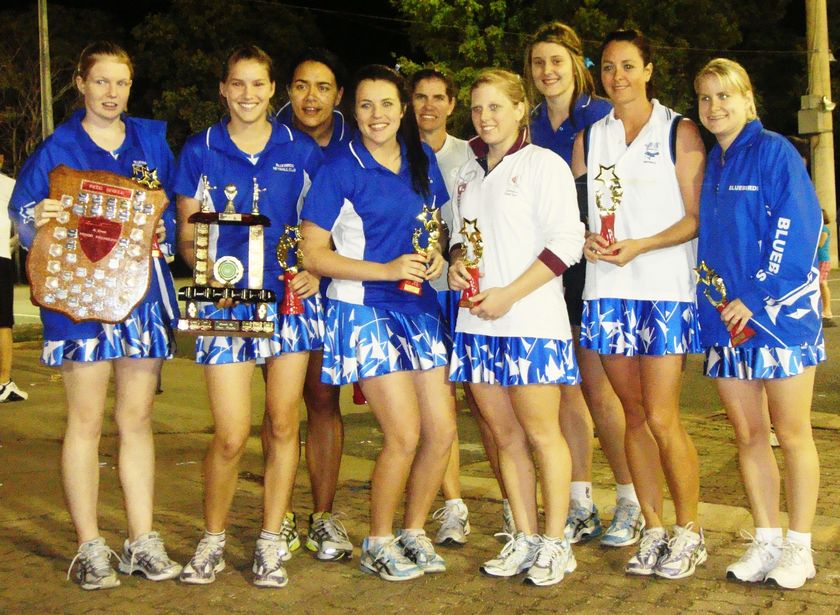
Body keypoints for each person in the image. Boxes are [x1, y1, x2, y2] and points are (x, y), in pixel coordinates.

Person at [8, 41, 181, 589]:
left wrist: (165, 232)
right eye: (101, 81)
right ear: (80, 84)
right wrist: (40, 217)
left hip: (139, 297)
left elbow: (171, 211)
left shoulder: (151, 140)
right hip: (78, 302)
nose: (112, 93)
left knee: (136, 419)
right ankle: (89, 546)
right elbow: (23, 220)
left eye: (121, 83)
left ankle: (141, 539)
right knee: (84, 421)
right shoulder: (58, 148)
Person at [175, 44, 323, 588]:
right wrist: (207, 269)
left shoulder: (301, 150)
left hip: (288, 302)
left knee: (283, 424)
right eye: (237, 83)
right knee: (232, 434)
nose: (247, 94)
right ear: (223, 88)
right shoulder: (200, 148)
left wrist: (316, 271)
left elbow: (320, 228)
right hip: (225, 303)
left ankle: (269, 541)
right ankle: (212, 539)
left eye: (258, 84)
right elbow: (187, 233)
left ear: (272, 89)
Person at [301, 64, 455, 582]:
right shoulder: (338, 168)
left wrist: (435, 255)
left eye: (387, 104)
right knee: (404, 434)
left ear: (403, 108)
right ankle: (378, 540)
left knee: (441, 431)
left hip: (418, 307)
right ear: (354, 110)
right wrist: (386, 270)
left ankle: (413, 530)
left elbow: (433, 229)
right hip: (363, 308)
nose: (376, 115)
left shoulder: (421, 158)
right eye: (365, 105)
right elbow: (313, 254)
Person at [572, 29, 707, 579]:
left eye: (628, 66)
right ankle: (652, 528)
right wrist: (585, 239)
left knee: (662, 416)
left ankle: (689, 530)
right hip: (608, 292)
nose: (617, 76)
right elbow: (577, 217)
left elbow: (695, 218)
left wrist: (643, 245)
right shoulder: (589, 138)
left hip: (663, 291)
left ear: (649, 70)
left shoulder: (680, 130)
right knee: (632, 416)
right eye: (608, 67)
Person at [449, 68, 585, 586]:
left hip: (531, 322)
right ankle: (525, 536)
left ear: (520, 109)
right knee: (504, 437)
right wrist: (456, 262)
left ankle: (556, 542)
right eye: (477, 108)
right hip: (477, 324)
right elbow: (461, 236)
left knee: (542, 434)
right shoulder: (467, 172)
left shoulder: (544, 165)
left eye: (495, 107)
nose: (485, 117)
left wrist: (509, 293)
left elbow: (567, 243)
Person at [694, 58, 825, 589]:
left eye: (725, 95)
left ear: (748, 100)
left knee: (791, 433)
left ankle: (800, 547)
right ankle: (767, 539)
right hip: (727, 322)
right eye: (705, 97)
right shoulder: (713, 162)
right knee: (749, 435)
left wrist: (756, 295)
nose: (714, 106)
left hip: (780, 319)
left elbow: (798, 226)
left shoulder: (774, 151)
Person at [525, 20, 641, 547]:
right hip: (548, 269)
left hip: (597, 266)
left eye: (556, 61)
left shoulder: (602, 116)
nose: (547, 71)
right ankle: (580, 502)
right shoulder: (526, 124)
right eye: (538, 62)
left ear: (576, 64)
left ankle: (631, 500)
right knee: (566, 391)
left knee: (601, 390)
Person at [274, 47, 354, 561]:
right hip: (282, 291)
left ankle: (323, 516)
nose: (311, 97)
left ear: (338, 95)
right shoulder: (268, 137)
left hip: (335, 288)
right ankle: (278, 516)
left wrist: (324, 264)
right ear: (288, 90)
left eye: (323, 87)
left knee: (324, 401)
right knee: (279, 409)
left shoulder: (357, 140)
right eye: (302, 86)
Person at [408, 67, 479, 546]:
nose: (429, 106)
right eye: (420, 97)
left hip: (459, 289)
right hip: (414, 294)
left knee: (480, 399)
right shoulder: (394, 153)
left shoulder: (469, 154)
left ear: (452, 104)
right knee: (436, 406)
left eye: (439, 97)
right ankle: (453, 505)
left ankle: (513, 504)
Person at [0, 168, 28, 403]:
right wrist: (11, 243)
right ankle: (3, 382)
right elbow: (26, 219)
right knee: (3, 323)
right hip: (0, 257)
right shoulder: (9, 185)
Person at [817, 209, 833, 323]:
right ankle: (824, 310)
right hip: (819, 259)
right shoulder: (819, 229)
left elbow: (820, 244)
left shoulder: (824, 229)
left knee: (822, 283)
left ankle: (827, 310)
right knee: (820, 284)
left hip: (823, 260)